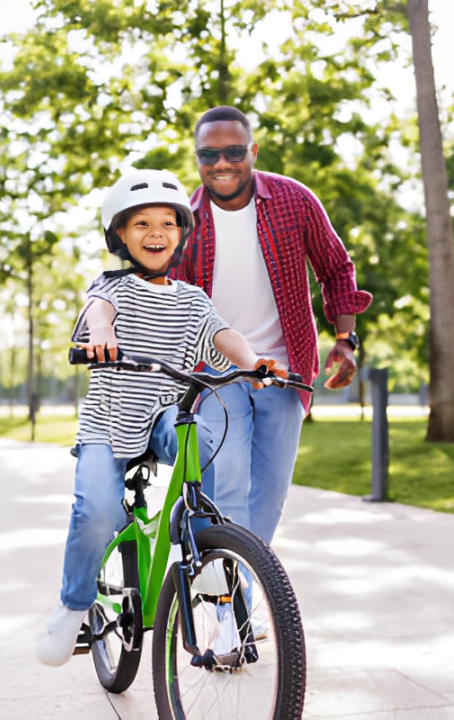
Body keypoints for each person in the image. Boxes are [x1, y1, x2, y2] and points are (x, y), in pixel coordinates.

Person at [85, 106, 371, 546]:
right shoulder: (183, 222)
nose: (221, 164)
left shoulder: (295, 202)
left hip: (283, 371)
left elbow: (336, 269)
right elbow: (149, 289)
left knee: (269, 500)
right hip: (214, 372)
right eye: (209, 155)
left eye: (234, 152)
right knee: (228, 486)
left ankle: (245, 588)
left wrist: (345, 339)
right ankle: (220, 600)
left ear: (253, 151)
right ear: (196, 158)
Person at [36, 168, 276, 667]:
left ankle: (198, 537)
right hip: (108, 422)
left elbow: (221, 333)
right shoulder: (110, 287)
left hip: (163, 414)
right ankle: (74, 605)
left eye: (167, 223)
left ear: (181, 234)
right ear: (120, 234)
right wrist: (102, 334)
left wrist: (253, 362)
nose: (156, 233)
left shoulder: (191, 299)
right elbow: (99, 312)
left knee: (206, 442)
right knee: (97, 511)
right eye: (141, 224)